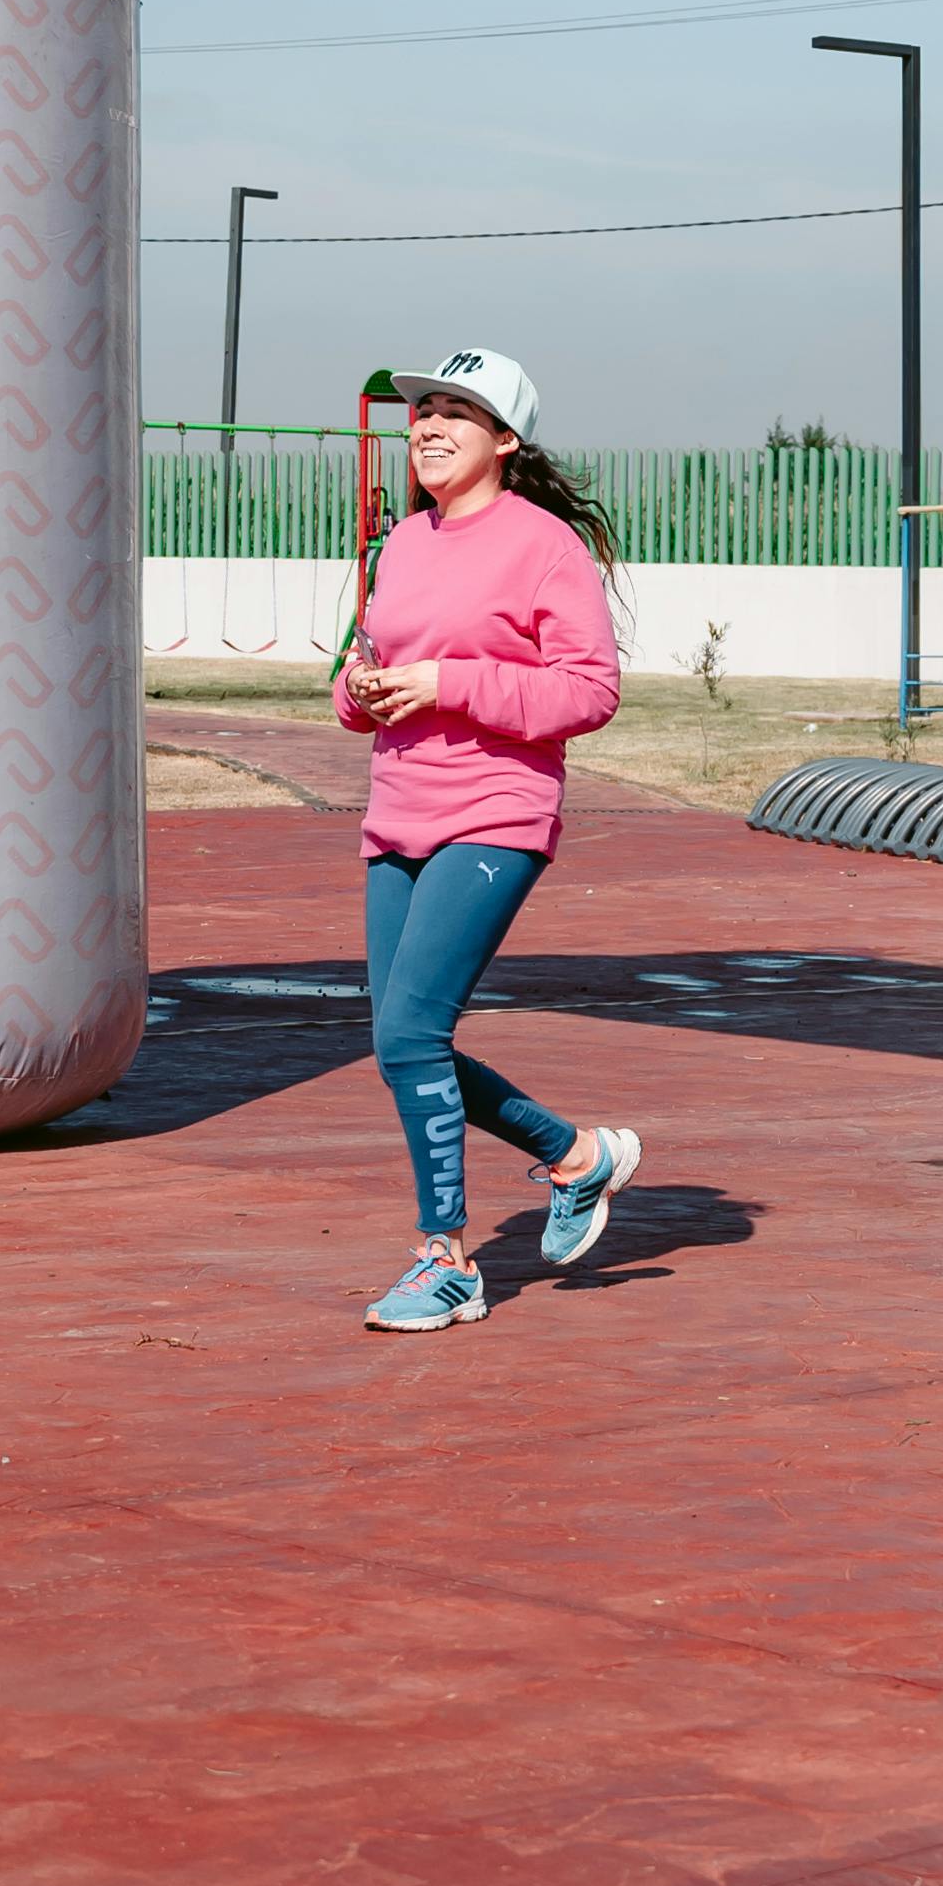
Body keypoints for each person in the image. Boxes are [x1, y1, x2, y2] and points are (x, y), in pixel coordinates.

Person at [334, 346, 641, 1330]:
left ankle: (447, 1260)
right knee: (398, 1044)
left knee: (412, 1032)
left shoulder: (545, 545)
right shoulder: (402, 543)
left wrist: (449, 682)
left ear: (504, 439)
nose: (426, 425)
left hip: (495, 815)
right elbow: (365, 669)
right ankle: (578, 1157)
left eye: (454, 413)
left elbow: (589, 691)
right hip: (398, 815)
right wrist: (363, 689)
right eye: (420, 410)